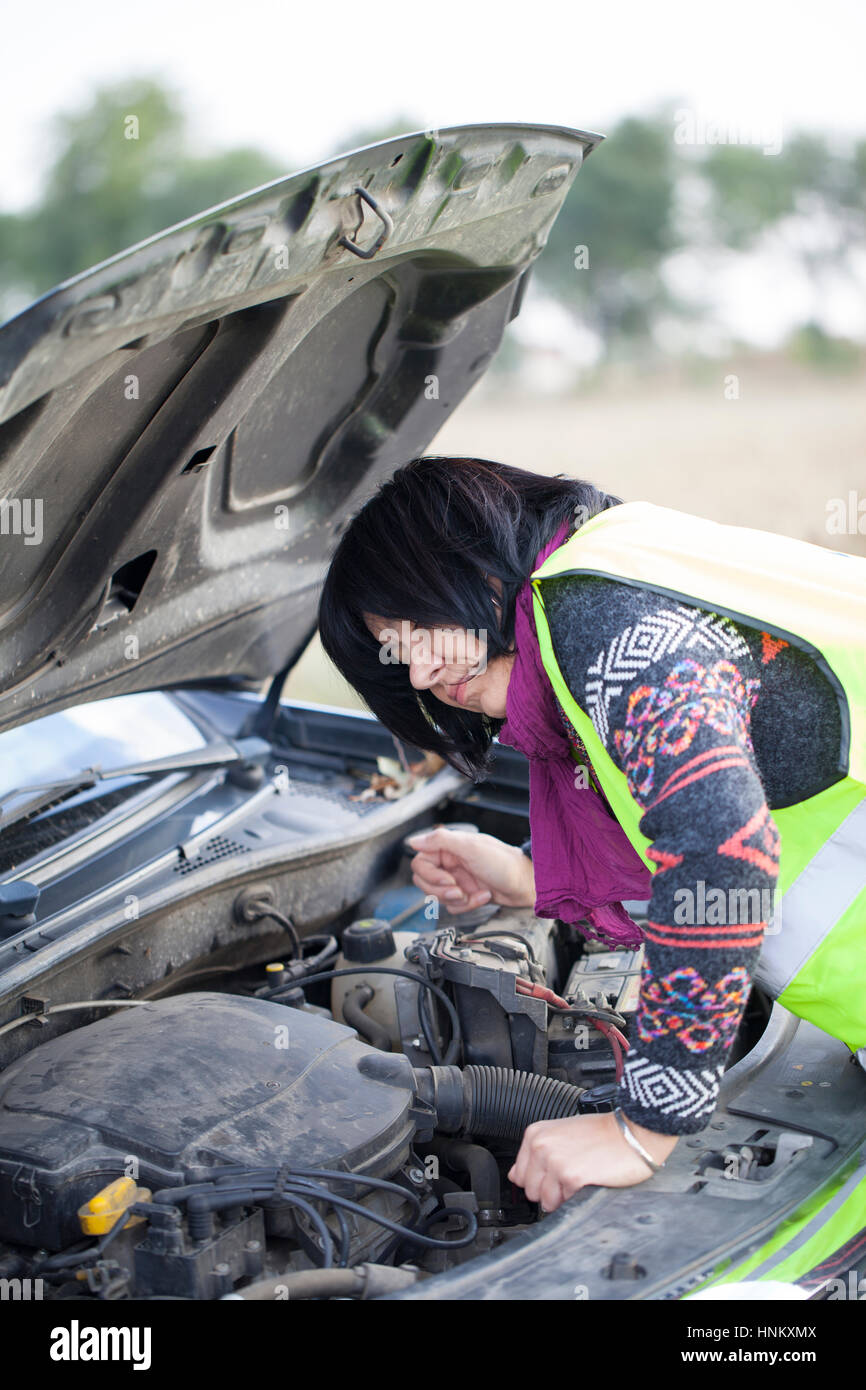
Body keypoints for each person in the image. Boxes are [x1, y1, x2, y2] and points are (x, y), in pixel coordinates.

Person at [318, 455, 866, 1215]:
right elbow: (685, 785)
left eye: (409, 629)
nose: (414, 676)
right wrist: (526, 878)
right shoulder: (609, 569)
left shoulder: (602, 625)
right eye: (394, 652)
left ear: (467, 560)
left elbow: (719, 851)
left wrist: (645, 1126)